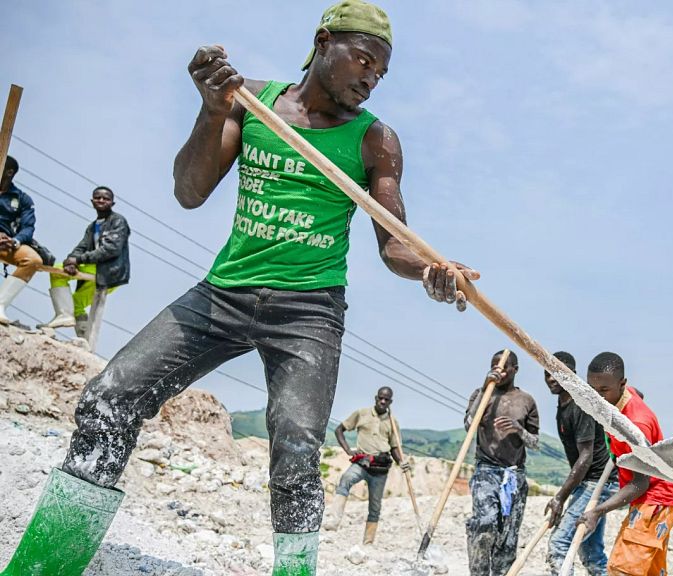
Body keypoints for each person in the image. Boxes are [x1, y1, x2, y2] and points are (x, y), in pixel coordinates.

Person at [1, 2, 479, 574]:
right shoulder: (248, 102)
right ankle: (47, 563)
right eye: (363, 60)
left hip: (309, 311)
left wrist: (430, 268)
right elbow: (189, 190)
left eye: (380, 72)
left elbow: (394, 241)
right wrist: (212, 109)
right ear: (323, 41)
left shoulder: (375, 140)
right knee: (111, 395)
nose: (370, 79)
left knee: (297, 446)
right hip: (225, 292)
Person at [579, 352, 673, 576]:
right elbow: (638, 394)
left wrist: (598, 511)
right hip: (653, 497)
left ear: (622, 384)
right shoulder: (618, 399)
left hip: (657, 498)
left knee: (623, 569)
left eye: (604, 391)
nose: (597, 398)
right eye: (592, 389)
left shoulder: (636, 425)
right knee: (649, 572)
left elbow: (640, 483)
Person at [464, 350, 540, 576]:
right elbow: (469, 425)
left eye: (505, 367)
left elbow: (535, 442)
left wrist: (518, 430)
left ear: (515, 369)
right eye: (495, 366)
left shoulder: (526, 400)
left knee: (508, 537)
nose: (500, 371)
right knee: (484, 522)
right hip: (486, 468)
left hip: (514, 475)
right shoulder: (481, 393)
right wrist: (485, 388)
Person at [544, 351, 617, 576]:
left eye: (557, 374)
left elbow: (585, 458)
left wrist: (560, 497)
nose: (551, 379)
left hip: (598, 482)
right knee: (590, 551)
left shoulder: (580, 403)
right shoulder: (564, 403)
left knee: (559, 545)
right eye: (547, 373)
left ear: (572, 374)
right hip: (590, 481)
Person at [39, 186, 131, 339]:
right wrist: (71, 261)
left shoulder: (118, 221)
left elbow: (111, 250)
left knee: (58, 272)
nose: (101, 200)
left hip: (110, 270)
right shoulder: (93, 226)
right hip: (94, 268)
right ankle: (83, 338)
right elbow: (81, 247)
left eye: (106, 198)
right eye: (97, 197)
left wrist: (79, 260)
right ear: (92, 201)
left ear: (112, 203)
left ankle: (64, 314)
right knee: (75, 301)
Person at [323, 386, 410, 543]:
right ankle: (334, 522)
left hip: (381, 468)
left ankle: (368, 542)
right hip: (362, 463)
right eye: (380, 398)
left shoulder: (392, 422)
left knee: (375, 507)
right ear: (375, 398)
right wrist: (349, 450)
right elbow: (339, 430)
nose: (383, 401)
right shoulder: (362, 414)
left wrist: (401, 463)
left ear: (391, 402)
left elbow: (395, 447)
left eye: (386, 399)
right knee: (345, 480)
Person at [0, 155, 43, 325]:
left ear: (9, 172)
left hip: (6, 242)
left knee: (33, 260)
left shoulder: (22, 199)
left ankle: (0, 305)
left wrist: (15, 241)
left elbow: (28, 227)